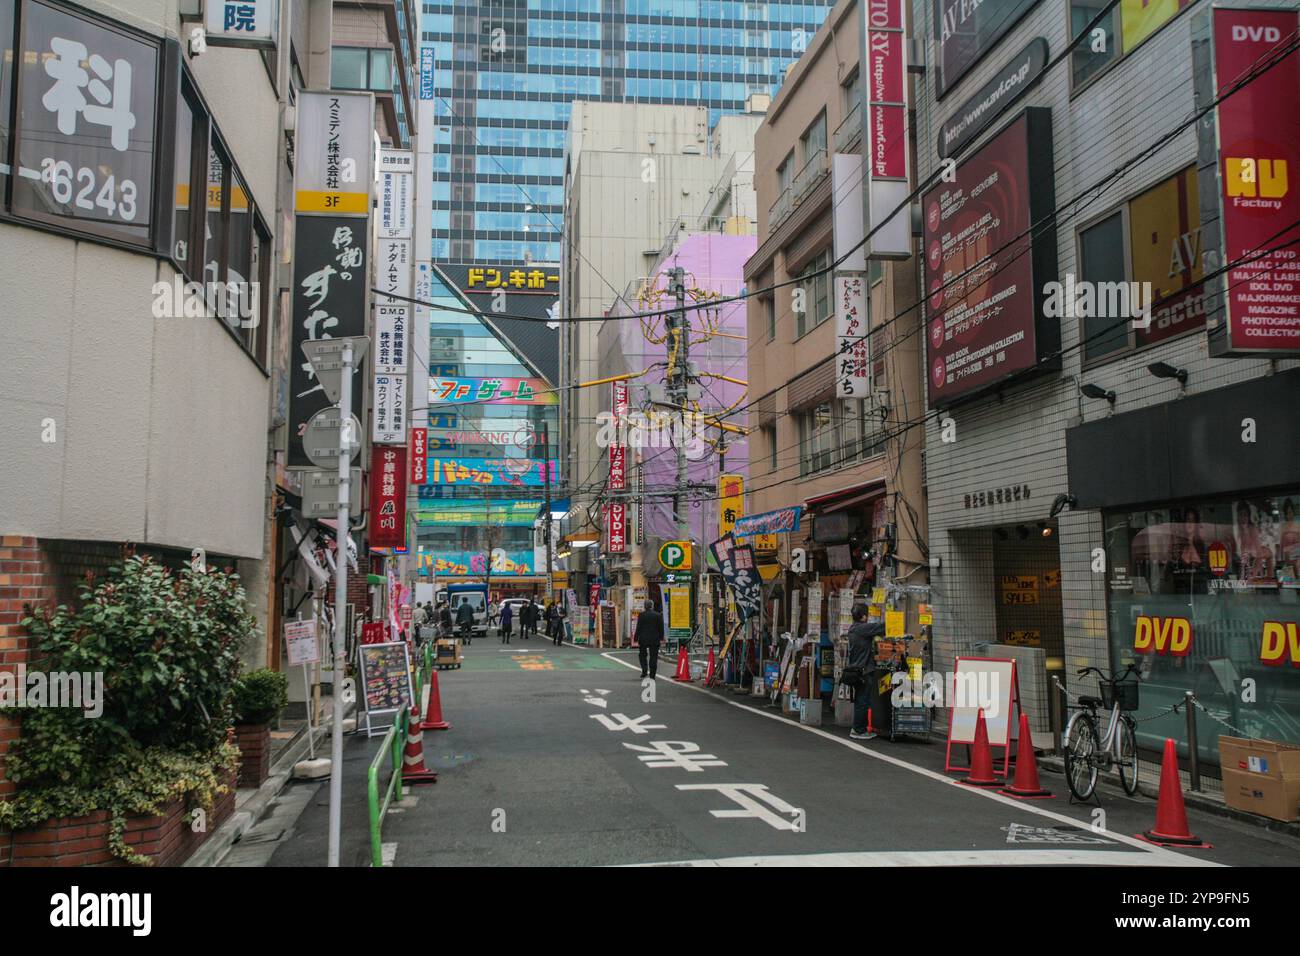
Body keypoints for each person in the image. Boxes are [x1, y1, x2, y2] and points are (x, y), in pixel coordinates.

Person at [846, 603, 884, 740]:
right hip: (864, 671)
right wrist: (895, 619)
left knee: (860, 700)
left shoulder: (853, 629)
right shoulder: (862, 628)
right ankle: (859, 730)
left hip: (856, 670)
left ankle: (858, 728)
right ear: (863, 616)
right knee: (863, 700)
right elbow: (882, 627)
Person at [635, 599, 664, 679]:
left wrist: (636, 637)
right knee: (653, 656)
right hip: (654, 638)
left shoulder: (641, 615)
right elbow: (660, 628)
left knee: (642, 655)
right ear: (652, 606)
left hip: (643, 638)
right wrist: (661, 637)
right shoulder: (658, 615)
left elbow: (639, 627)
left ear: (645, 606)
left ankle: (644, 670)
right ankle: (652, 674)